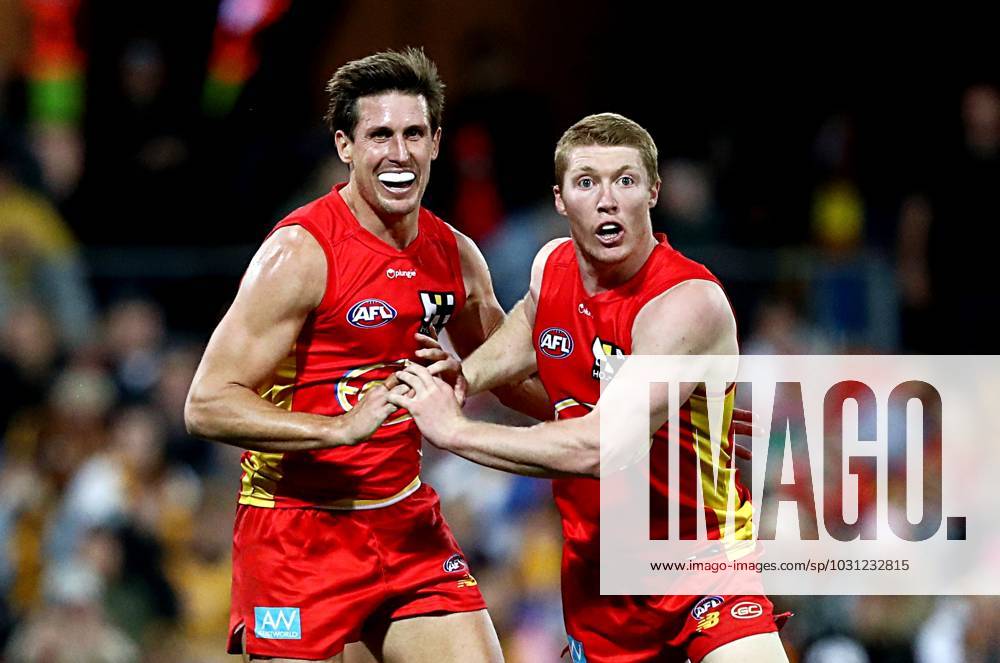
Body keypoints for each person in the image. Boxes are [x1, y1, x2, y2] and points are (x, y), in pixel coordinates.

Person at [185, 48, 547, 663]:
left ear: (436, 142)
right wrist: (338, 429)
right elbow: (206, 404)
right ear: (345, 146)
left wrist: (612, 413)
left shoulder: (455, 256)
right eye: (379, 135)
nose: (398, 153)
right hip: (295, 535)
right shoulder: (300, 253)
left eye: (413, 134)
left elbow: (506, 378)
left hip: (407, 526)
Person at [390, 113, 790, 662]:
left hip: (701, 569)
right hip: (597, 582)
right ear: (560, 200)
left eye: (624, 180)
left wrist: (456, 431)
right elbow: (531, 326)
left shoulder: (686, 304)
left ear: (653, 191)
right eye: (586, 182)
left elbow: (600, 447)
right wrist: (469, 373)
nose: (607, 200)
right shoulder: (551, 266)